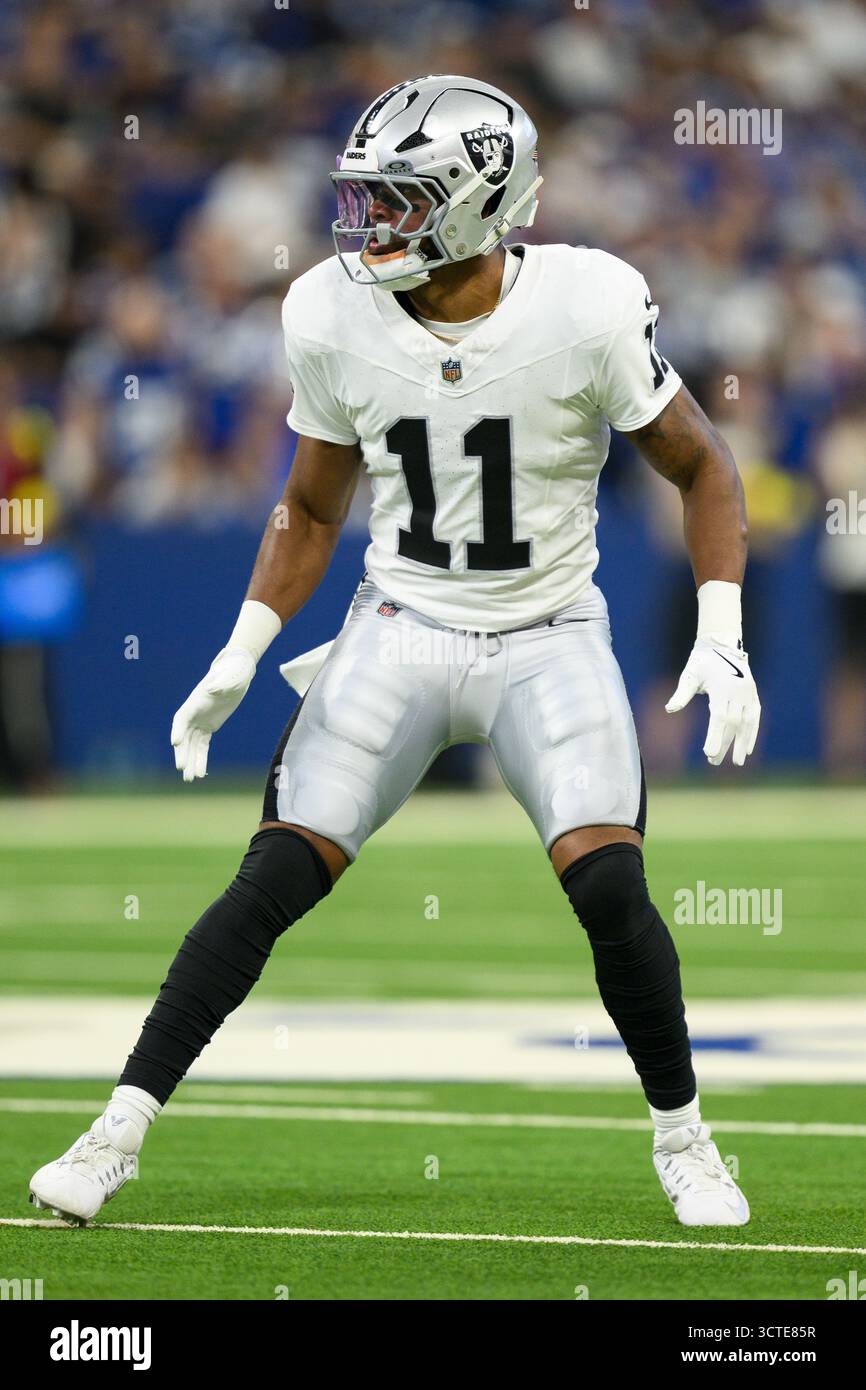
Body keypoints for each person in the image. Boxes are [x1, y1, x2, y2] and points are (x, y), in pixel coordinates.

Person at [30, 75, 760, 1229]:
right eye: (366, 198)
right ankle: (115, 1129)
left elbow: (702, 465)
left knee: (609, 879)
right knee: (270, 874)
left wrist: (720, 629)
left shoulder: (583, 303)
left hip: (546, 632)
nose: (371, 223)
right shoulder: (328, 311)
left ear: (477, 203)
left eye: (400, 198)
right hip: (399, 625)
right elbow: (312, 509)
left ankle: (685, 1140)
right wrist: (244, 643)